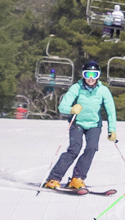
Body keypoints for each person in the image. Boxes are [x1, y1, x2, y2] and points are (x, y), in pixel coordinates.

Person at [43, 61, 117, 191]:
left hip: (94, 125)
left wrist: (112, 130)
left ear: (98, 75)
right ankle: (53, 179)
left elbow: (111, 111)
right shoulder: (76, 88)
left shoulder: (103, 90)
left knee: (91, 148)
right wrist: (71, 109)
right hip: (77, 123)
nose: (90, 78)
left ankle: (77, 178)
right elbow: (62, 107)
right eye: (87, 74)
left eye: (94, 74)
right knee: (74, 149)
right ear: (83, 75)